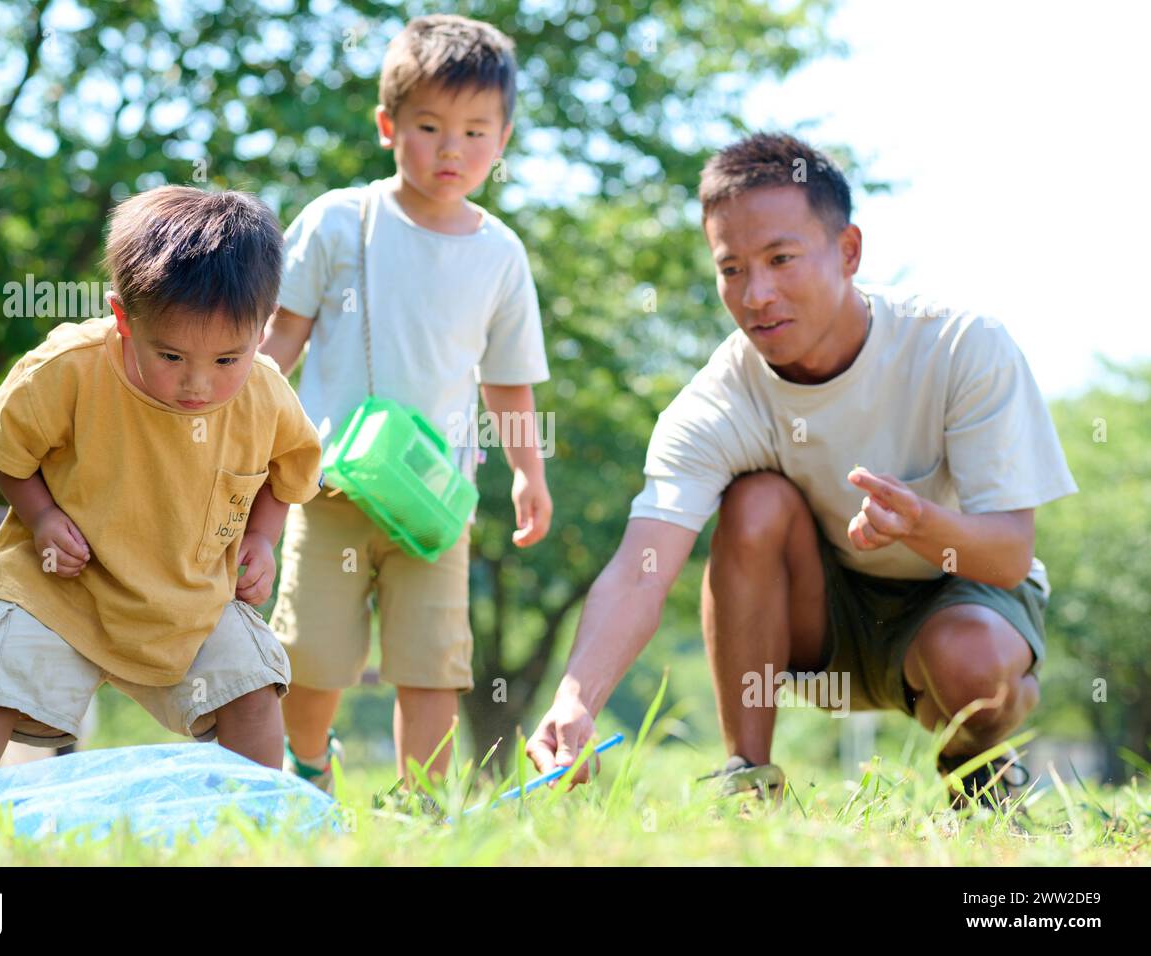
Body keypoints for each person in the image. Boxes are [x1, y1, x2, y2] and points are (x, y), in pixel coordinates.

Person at [525, 132, 1077, 811]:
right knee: (754, 500)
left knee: (972, 664)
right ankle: (747, 776)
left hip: (959, 594)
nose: (757, 295)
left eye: (781, 259)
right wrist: (575, 699)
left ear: (848, 252)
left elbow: (1009, 554)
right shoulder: (716, 404)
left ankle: (975, 763)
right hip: (824, 619)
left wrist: (922, 524)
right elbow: (643, 568)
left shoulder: (962, 346)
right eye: (732, 270)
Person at [0, 186, 322, 773]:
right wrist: (40, 517)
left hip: (192, 599)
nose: (199, 384)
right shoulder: (69, 368)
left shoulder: (265, 392)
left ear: (264, 328)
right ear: (123, 317)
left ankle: (258, 820)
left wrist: (262, 537)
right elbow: (6, 448)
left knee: (253, 689)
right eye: (170, 357)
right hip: (61, 591)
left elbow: (288, 471)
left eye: (226, 361)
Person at [260, 14, 551, 791]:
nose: (451, 149)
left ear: (504, 139)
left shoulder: (500, 254)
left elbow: (508, 380)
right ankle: (309, 765)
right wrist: (235, 427)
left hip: (434, 502)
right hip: (328, 488)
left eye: (475, 131)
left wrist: (529, 472)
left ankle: (420, 804)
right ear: (389, 126)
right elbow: (279, 341)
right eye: (429, 126)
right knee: (313, 655)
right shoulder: (337, 221)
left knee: (431, 664)